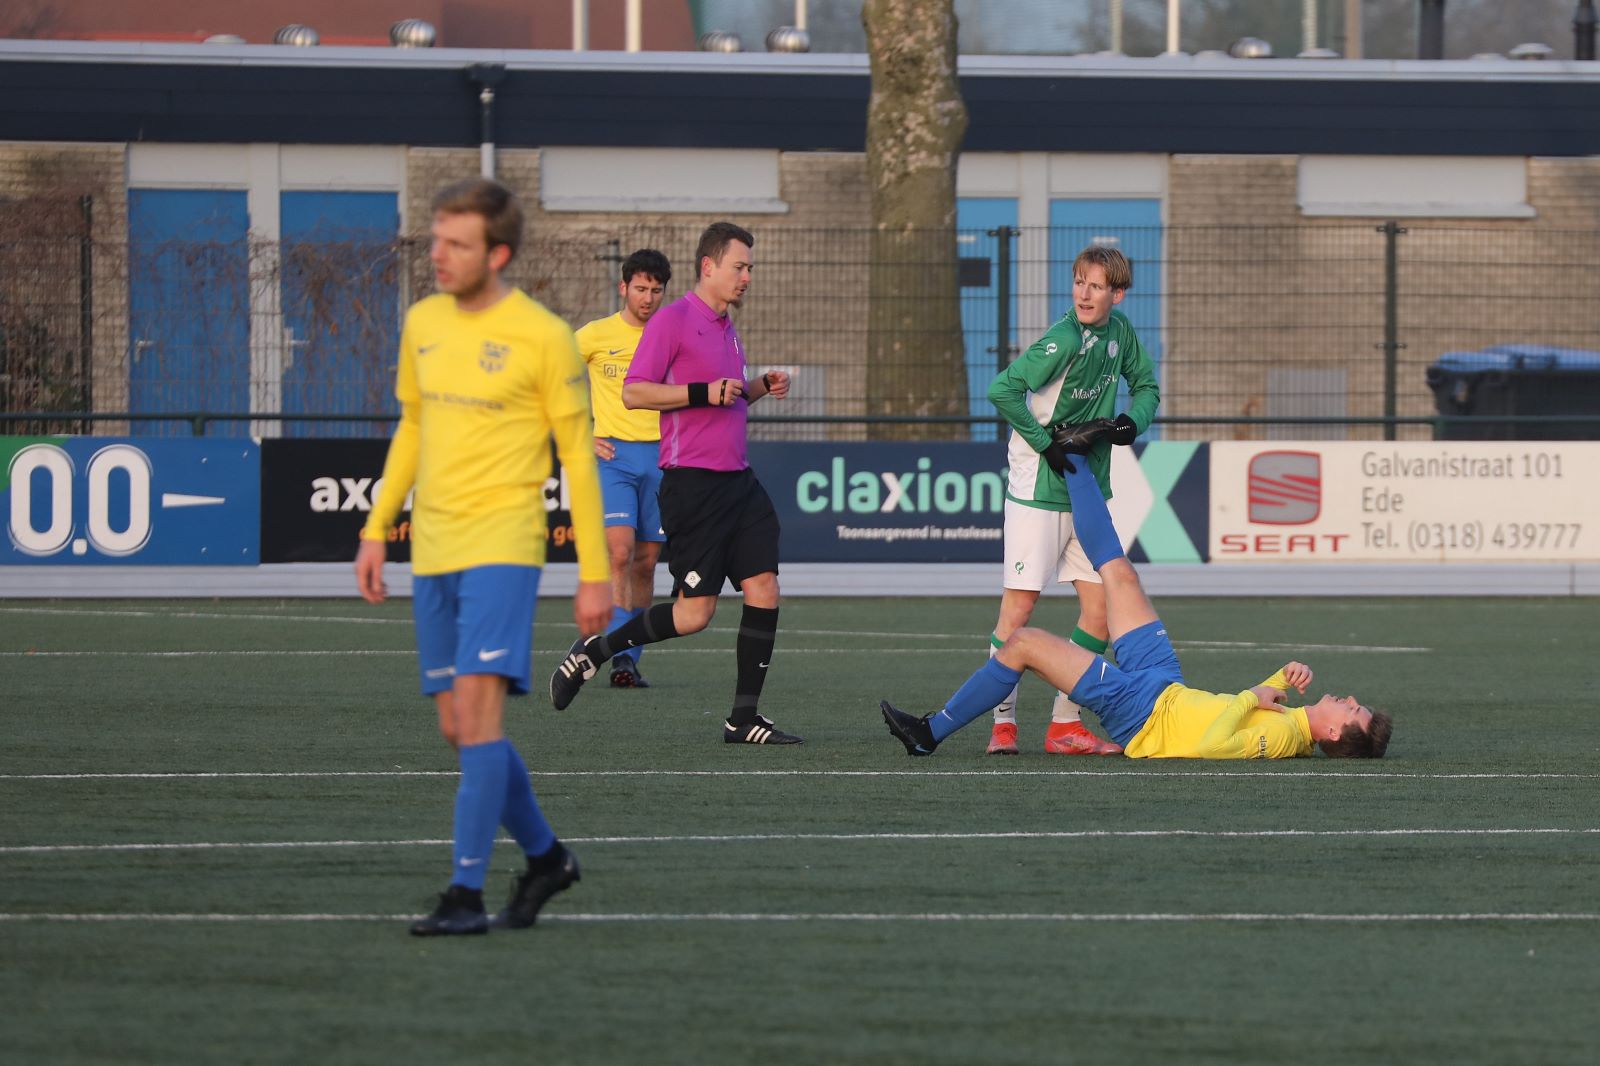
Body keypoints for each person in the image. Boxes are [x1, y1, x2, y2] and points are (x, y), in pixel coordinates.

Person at [355, 178, 611, 936]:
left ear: (497, 253)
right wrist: (378, 527)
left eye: (456, 243)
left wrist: (593, 571)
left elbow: (577, 460)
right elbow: (411, 427)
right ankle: (546, 857)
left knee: (479, 717)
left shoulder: (542, 335)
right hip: (430, 548)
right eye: (435, 239)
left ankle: (464, 895)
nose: (437, 255)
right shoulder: (423, 321)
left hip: (503, 546)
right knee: (457, 729)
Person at [882, 423, 1393, 761]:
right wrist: (1278, 677)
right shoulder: (1295, 724)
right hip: (1165, 685)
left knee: (1022, 644)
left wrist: (1252, 694)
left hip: (1142, 714)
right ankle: (1074, 455)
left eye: (1353, 710)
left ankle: (929, 734)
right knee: (1121, 574)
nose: (1349, 699)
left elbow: (1215, 744)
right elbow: (1235, 717)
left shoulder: (1283, 738)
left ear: (1332, 734)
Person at [548, 221, 802, 746]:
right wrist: (702, 391)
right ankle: (593, 653)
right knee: (693, 615)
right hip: (693, 488)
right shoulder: (672, 321)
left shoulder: (728, 325)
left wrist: (758, 386)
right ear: (708, 267)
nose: (747, 277)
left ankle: (743, 719)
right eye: (740, 266)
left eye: (750, 268)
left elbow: (724, 398)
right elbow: (636, 393)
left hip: (739, 483)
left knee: (765, 589)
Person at [982, 244, 1160, 756]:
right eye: (1080, 281)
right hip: (1040, 486)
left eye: (1096, 285)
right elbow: (1002, 390)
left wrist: (1132, 422)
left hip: (1088, 486)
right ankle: (1003, 722)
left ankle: (1064, 725)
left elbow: (1146, 386)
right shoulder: (1063, 339)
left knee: (1100, 607)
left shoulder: (1121, 333)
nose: (1084, 292)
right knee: (1019, 608)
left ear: (1117, 294)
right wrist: (1045, 446)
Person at [575, 249, 672, 689]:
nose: (648, 298)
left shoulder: (672, 334)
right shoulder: (594, 335)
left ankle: (629, 656)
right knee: (619, 553)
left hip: (663, 457)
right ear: (623, 288)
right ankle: (612, 652)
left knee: (647, 563)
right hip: (613, 457)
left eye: (656, 290)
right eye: (640, 288)